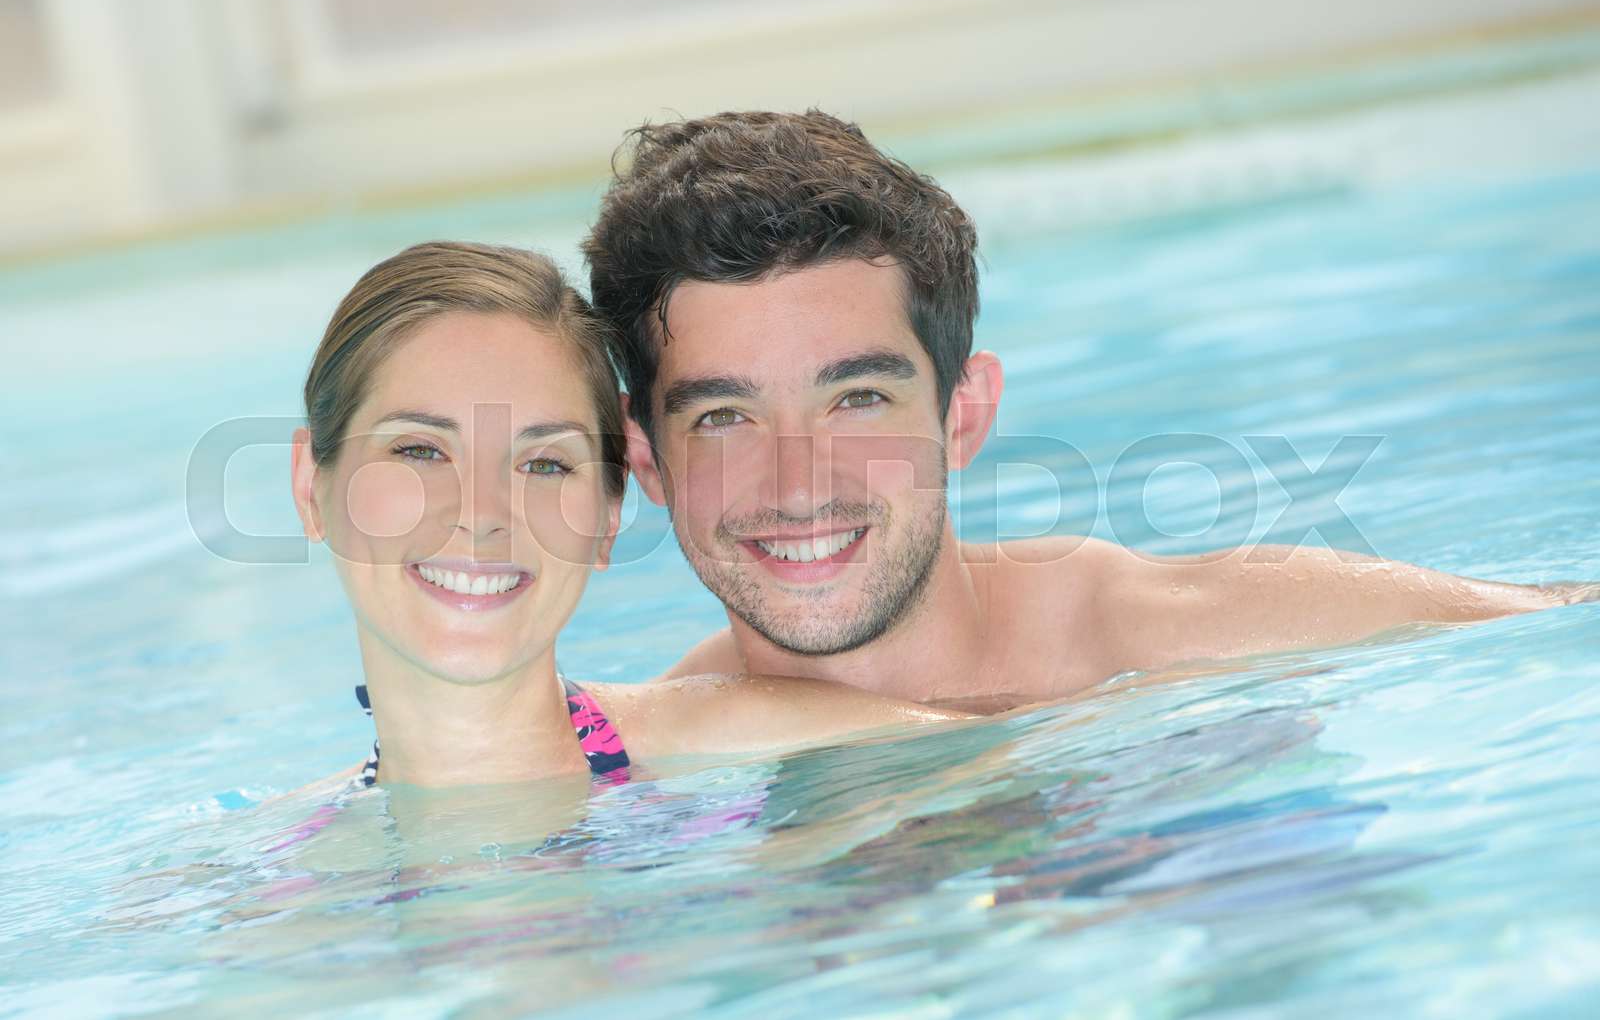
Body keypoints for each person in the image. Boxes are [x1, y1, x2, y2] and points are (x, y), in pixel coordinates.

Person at [580, 109, 1595, 708]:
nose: (798, 481)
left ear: (963, 417)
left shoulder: (1198, 636)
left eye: (858, 398)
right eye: (725, 418)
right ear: (645, 457)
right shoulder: (659, 759)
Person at [289, 240, 962, 789]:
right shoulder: (273, 882)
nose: (481, 516)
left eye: (544, 464)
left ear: (608, 517)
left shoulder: (773, 746)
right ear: (310, 488)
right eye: (420, 450)